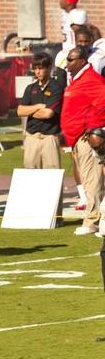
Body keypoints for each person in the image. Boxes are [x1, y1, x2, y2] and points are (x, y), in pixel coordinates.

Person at [60, 45, 105, 236]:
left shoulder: (91, 79)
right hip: (75, 138)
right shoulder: (76, 80)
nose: (67, 63)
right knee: (87, 179)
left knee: (92, 178)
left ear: (82, 61)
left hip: (86, 137)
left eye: (71, 60)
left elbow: (102, 102)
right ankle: (95, 217)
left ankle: (92, 221)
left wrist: (92, 126)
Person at [17, 52, 64, 169]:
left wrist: (30, 111)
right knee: (31, 175)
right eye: (35, 68)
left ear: (49, 68)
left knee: (52, 177)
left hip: (50, 138)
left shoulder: (56, 87)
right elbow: (20, 111)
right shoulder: (30, 88)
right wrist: (38, 106)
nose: (37, 72)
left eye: (41, 68)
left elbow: (48, 113)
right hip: (32, 137)